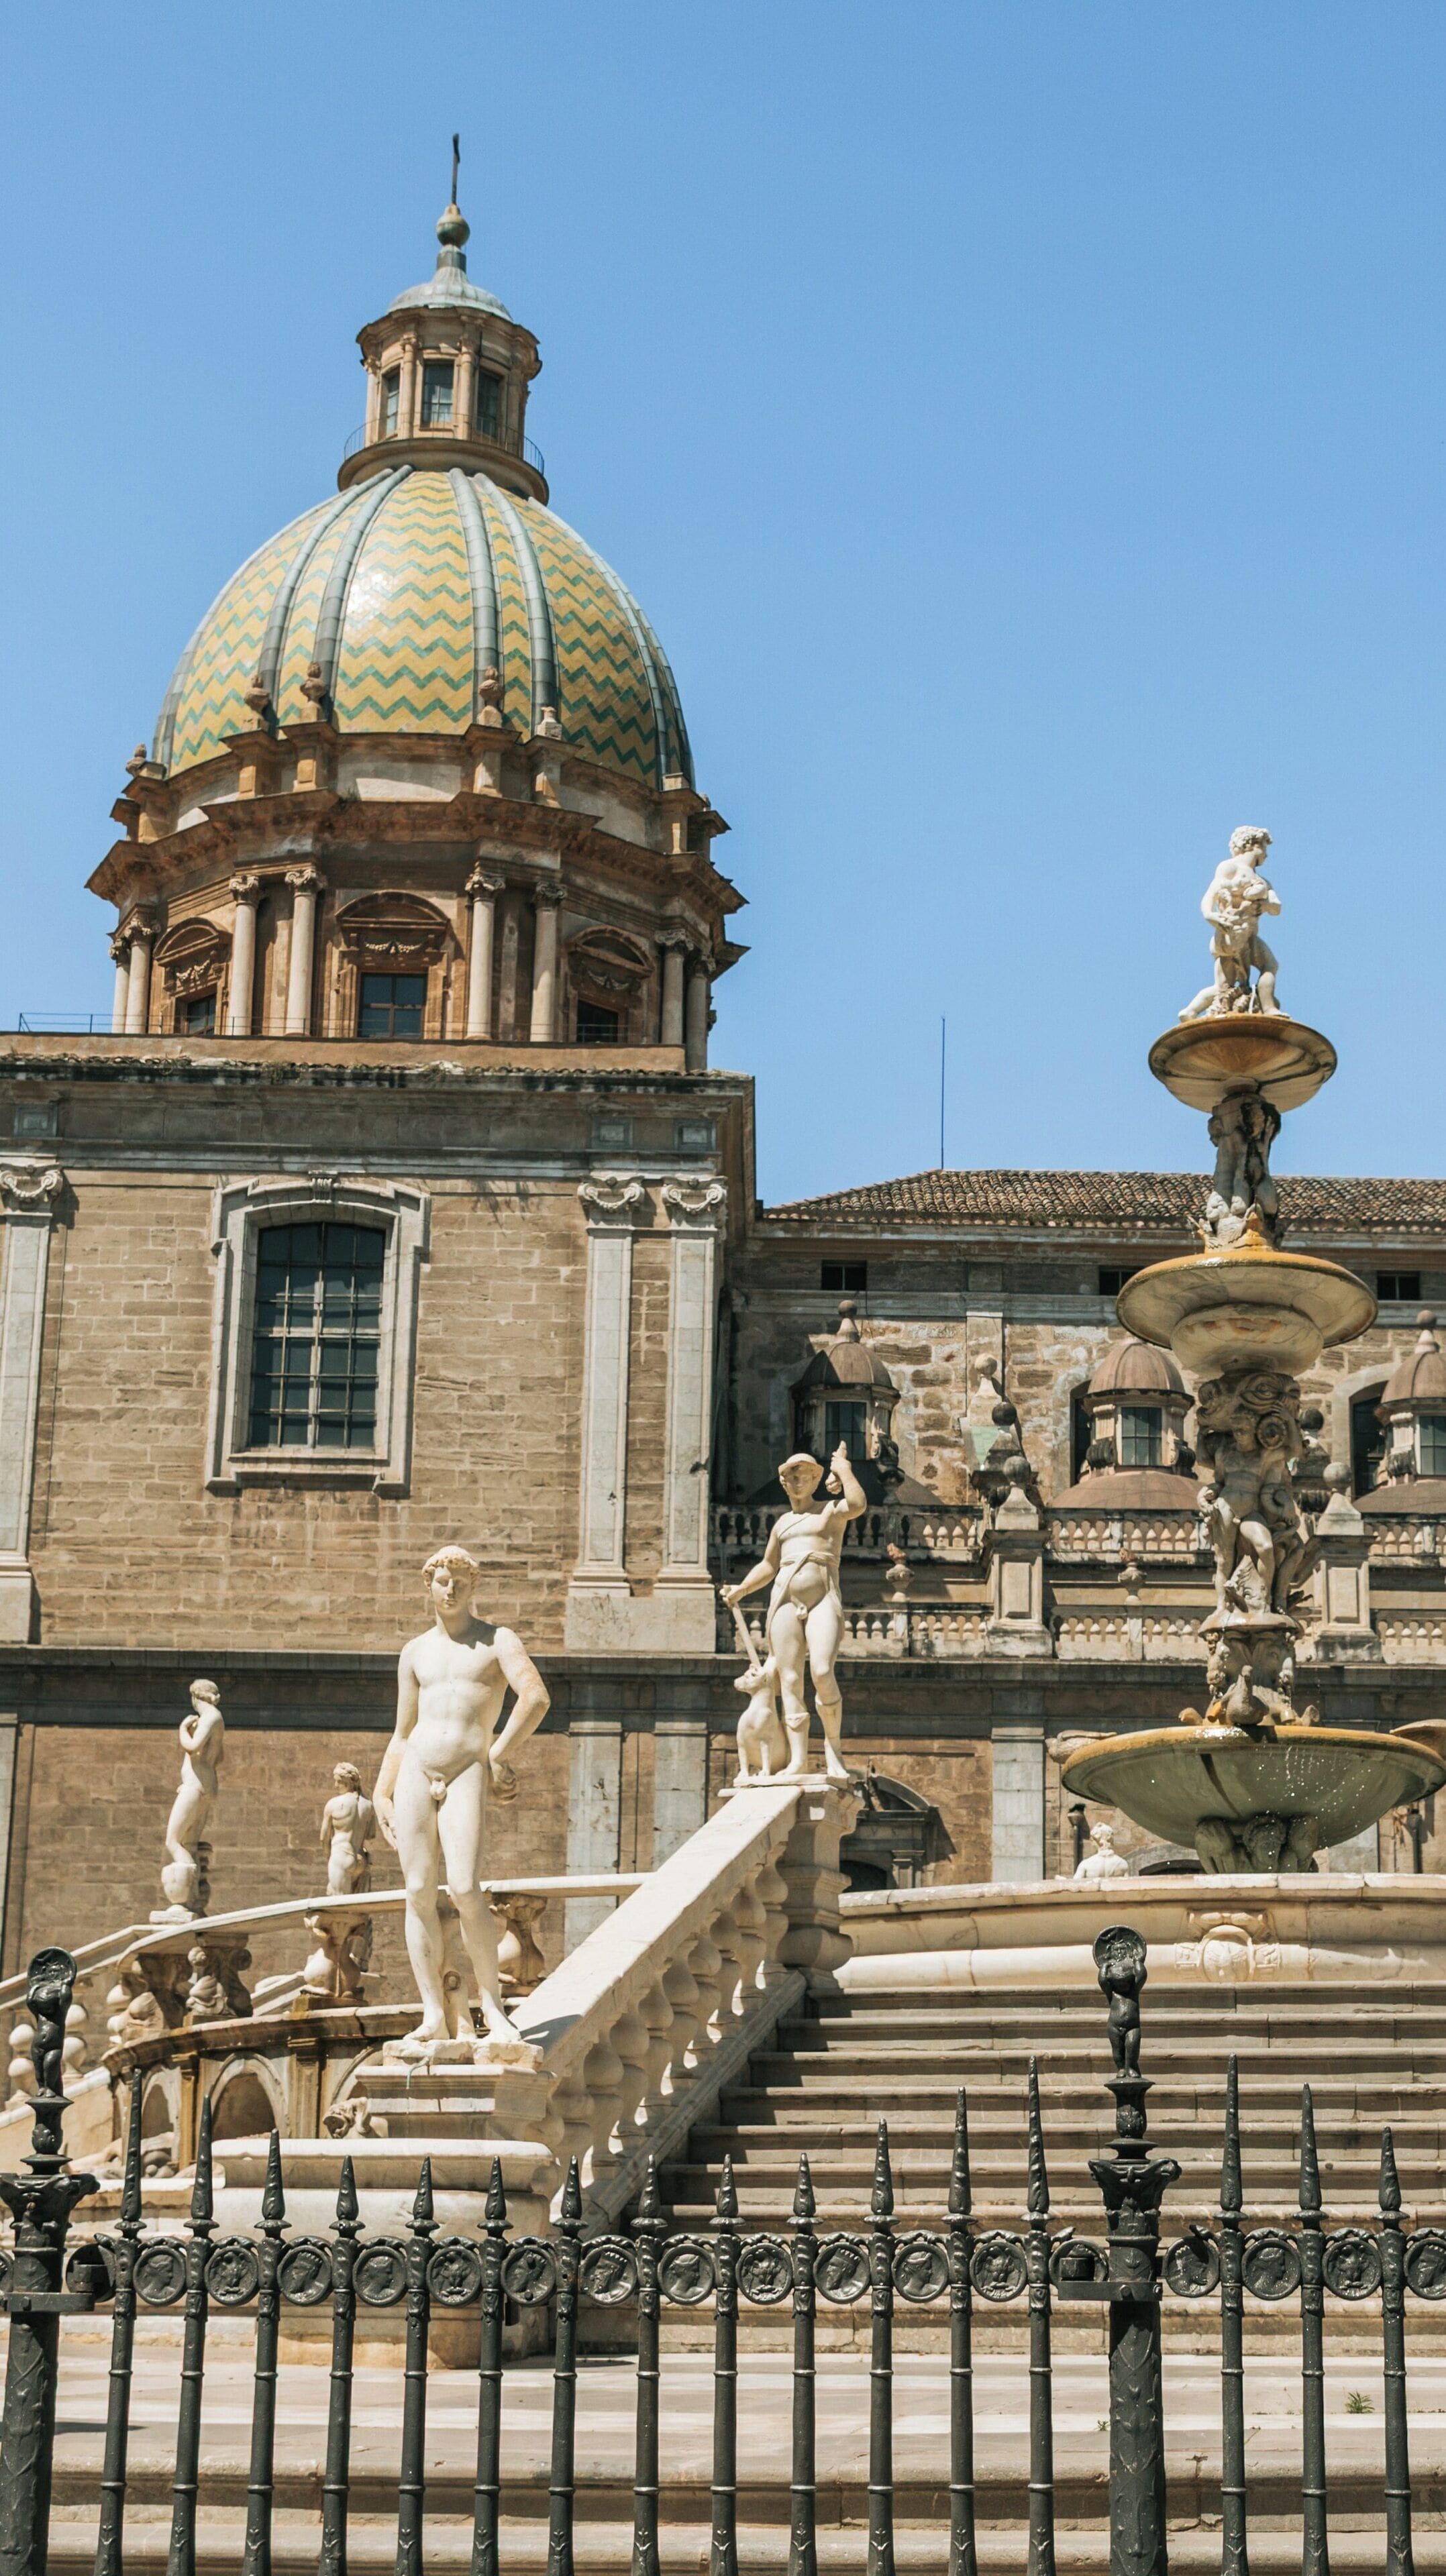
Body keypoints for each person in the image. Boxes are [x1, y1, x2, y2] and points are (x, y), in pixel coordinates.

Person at [374, 1546, 550, 2049]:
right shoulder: (414, 1652)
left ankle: (492, 2006)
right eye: (442, 1581)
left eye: (460, 1582)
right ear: (428, 1585)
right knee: (417, 1890)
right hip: (415, 1768)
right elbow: (403, 1730)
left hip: (467, 1768)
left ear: (474, 1588)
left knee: (466, 1887)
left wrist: (498, 1754)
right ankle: (432, 2012)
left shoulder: (496, 1642)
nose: (449, 1590)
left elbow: (535, 1698)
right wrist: (382, 1790)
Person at [721, 1444, 866, 1780]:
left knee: (820, 1671)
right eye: (792, 1477)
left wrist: (843, 1469)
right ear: (785, 1484)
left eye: (804, 1476)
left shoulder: (830, 1511)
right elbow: (769, 1565)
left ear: (816, 1480)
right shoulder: (782, 1524)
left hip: (822, 1599)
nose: (798, 1482)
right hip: (784, 1599)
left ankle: (833, 1749)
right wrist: (741, 1589)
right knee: (788, 1680)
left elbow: (858, 1504)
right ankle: (798, 1760)